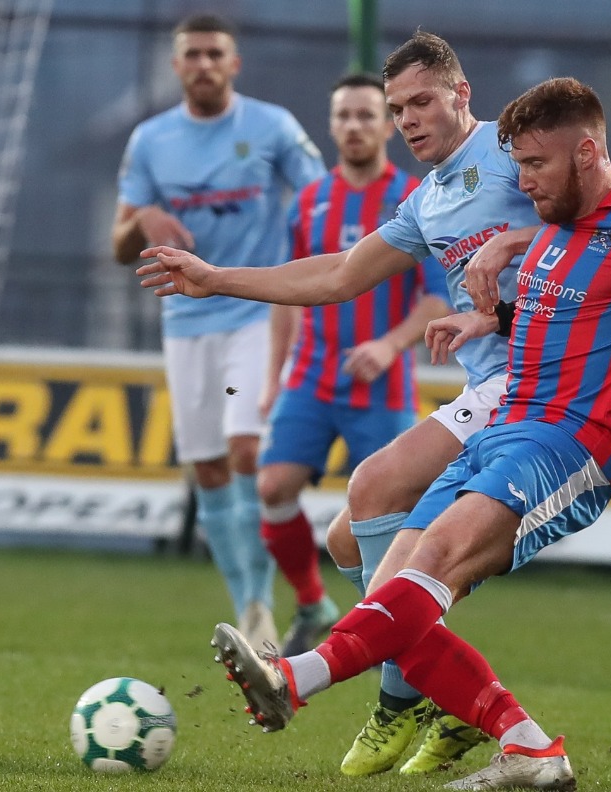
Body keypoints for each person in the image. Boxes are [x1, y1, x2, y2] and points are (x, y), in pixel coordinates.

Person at [198, 76, 611, 790]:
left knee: (433, 558)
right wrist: (490, 320)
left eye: (536, 164)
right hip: (502, 428)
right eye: (519, 164)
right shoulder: (549, 235)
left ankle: (292, 680)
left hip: (570, 443)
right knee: (393, 592)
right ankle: (526, 745)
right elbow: (564, 313)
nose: (524, 180)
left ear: (587, 153)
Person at [138, 31, 543, 778]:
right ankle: (443, 700)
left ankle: (398, 700)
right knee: (347, 540)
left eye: (421, 102)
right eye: (398, 109)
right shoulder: (426, 200)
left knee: (374, 496)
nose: (407, 120)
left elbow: (601, 222)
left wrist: (512, 242)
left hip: (545, 386)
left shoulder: (514, 150)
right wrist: (216, 278)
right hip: (487, 388)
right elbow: (337, 276)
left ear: (462, 94)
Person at [111, 13, 326, 647]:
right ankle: (258, 607)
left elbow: (322, 199)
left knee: (246, 452)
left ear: (234, 63)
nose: (204, 64)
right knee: (207, 468)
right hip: (184, 321)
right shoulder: (151, 140)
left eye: (214, 53)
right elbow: (119, 245)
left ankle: (274, 607)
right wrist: (143, 218)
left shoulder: (271, 127)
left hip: (254, 310)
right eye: (193, 54)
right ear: (176, 66)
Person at [258, 72, 451, 657]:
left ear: (388, 126)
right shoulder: (309, 201)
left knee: (388, 516)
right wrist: (272, 379)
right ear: (331, 124)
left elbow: (438, 300)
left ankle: (392, 635)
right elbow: (287, 295)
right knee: (273, 486)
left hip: (382, 386)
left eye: (367, 115)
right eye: (344, 115)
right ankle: (312, 603)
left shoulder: (416, 198)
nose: (354, 126)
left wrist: (389, 345)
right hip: (311, 378)